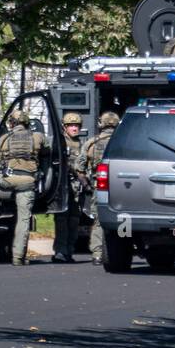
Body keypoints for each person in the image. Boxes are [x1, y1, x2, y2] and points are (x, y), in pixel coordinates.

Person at [0, 108, 46, 266]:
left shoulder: (4, 139)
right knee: (23, 220)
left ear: (11, 123)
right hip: (27, 181)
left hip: (9, 181)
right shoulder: (37, 137)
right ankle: (18, 257)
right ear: (27, 123)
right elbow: (49, 152)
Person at [78, 111, 120, 264]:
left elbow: (79, 168)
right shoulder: (123, 141)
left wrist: (87, 185)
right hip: (122, 187)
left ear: (101, 124)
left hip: (100, 186)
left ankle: (97, 253)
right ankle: (124, 248)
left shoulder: (91, 143)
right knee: (123, 218)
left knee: (98, 220)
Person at [52, 112, 84, 262]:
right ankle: (60, 251)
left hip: (77, 188)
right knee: (61, 220)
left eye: (76, 125)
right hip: (63, 187)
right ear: (64, 127)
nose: (74, 128)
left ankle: (69, 251)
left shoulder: (82, 145)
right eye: (71, 125)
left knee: (74, 220)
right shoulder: (59, 143)